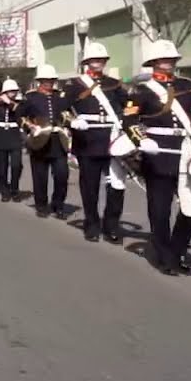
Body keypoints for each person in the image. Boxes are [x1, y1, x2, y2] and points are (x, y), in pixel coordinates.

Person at [123, 40, 191, 276]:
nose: (168, 62)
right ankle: (164, 258)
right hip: (157, 154)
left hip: (185, 152)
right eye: (163, 58)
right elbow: (128, 120)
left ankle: (176, 252)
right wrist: (141, 140)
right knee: (160, 212)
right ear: (153, 62)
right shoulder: (141, 90)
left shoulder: (186, 86)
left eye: (171, 58)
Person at [62, 42, 128, 242]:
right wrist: (72, 121)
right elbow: (62, 109)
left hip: (112, 139)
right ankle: (91, 224)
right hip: (87, 139)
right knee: (90, 187)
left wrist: (127, 125)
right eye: (94, 59)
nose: (98, 62)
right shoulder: (75, 84)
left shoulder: (114, 84)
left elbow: (128, 107)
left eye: (101, 59)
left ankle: (111, 225)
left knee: (116, 185)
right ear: (87, 62)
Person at [20, 64, 70, 219]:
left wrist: (68, 124)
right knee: (40, 176)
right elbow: (20, 116)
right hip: (39, 139)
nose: (49, 83)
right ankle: (41, 205)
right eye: (45, 80)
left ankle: (58, 204)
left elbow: (67, 113)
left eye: (51, 80)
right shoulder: (31, 97)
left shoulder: (60, 97)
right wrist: (30, 127)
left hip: (58, 139)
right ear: (40, 81)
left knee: (62, 174)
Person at [0, 79, 24, 203]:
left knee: (16, 165)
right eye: (10, 91)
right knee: (2, 166)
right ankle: (4, 190)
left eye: (14, 91)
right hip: (1, 135)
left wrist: (9, 102)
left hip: (14, 135)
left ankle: (15, 189)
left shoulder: (20, 103)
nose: (13, 93)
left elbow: (20, 114)